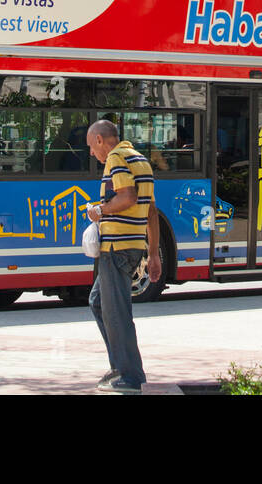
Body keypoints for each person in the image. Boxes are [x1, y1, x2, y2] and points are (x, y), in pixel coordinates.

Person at [84, 119, 161, 392]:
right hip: (134, 247)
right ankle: (121, 367)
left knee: (116, 312)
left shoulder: (115, 159)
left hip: (116, 248)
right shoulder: (140, 159)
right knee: (98, 302)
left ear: (100, 140)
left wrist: (99, 211)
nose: (93, 154)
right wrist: (153, 254)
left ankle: (128, 376)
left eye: (92, 147)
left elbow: (126, 197)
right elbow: (151, 211)